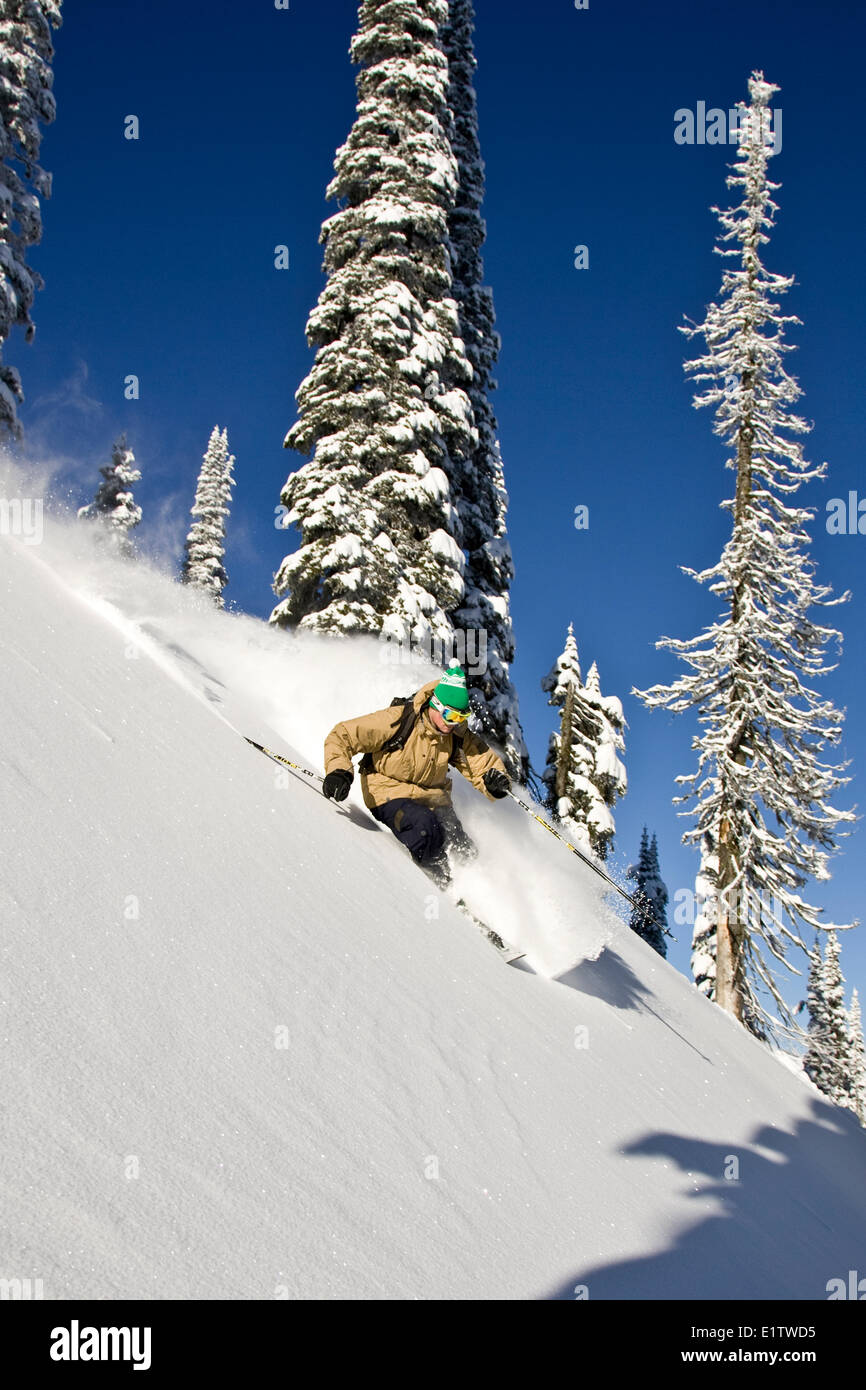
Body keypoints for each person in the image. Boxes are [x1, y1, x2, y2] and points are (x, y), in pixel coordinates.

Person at [322, 663, 511, 887]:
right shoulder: (399, 719)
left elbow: (482, 762)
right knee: (425, 829)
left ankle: (478, 891)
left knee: (462, 845)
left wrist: (496, 781)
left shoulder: (455, 735)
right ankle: (441, 886)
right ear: (435, 704)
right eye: (450, 715)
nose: (453, 724)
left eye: (461, 718)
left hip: (432, 799)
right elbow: (343, 735)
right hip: (387, 792)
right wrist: (339, 771)